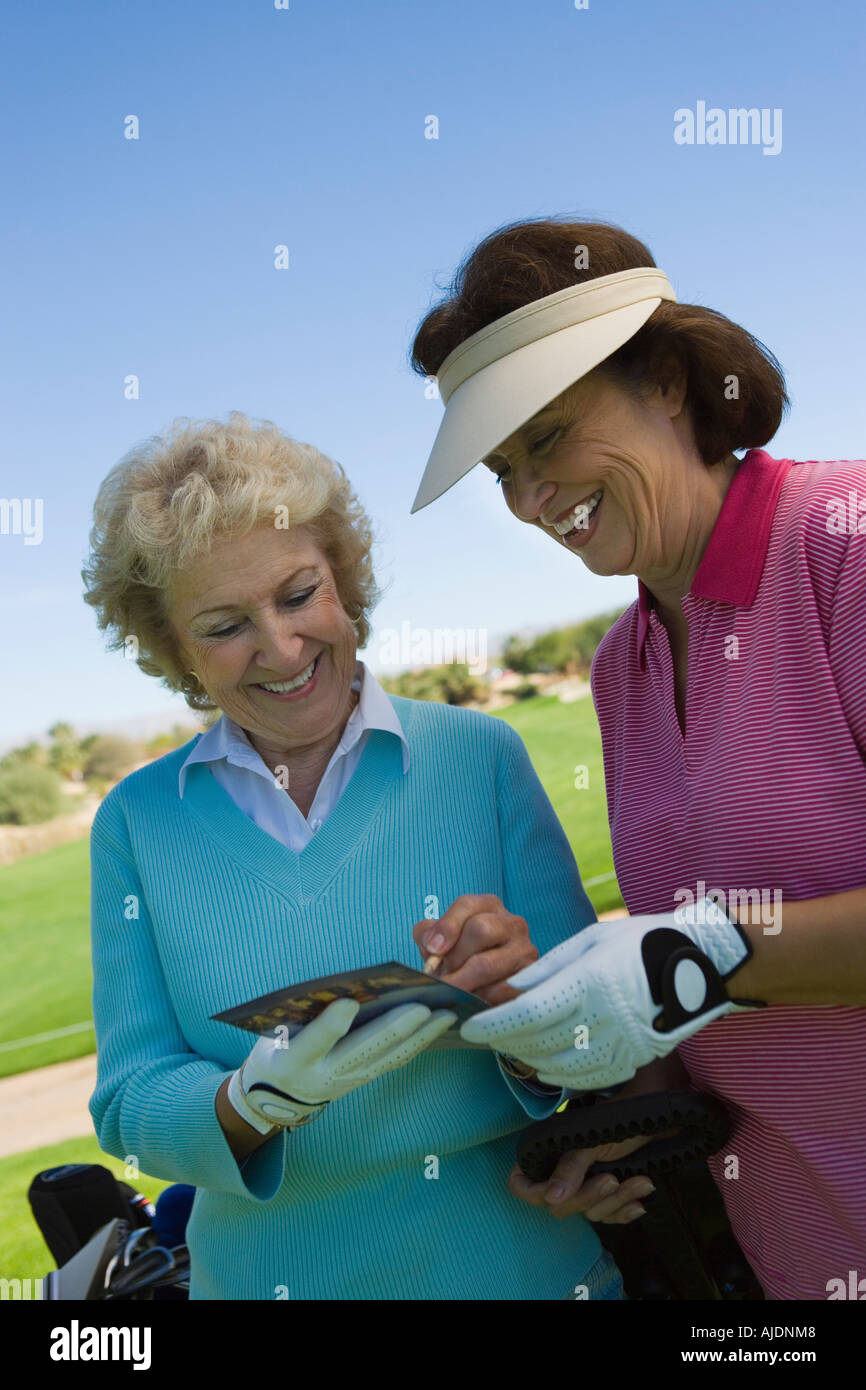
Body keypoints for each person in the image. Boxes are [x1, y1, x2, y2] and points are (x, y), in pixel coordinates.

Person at [407, 217, 866, 1300]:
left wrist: (692, 953)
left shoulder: (842, 542)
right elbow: (706, 995)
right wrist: (605, 1096)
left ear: (667, 382)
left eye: (549, 437)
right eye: (503, 469)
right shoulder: (623, 664)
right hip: (796, 1255)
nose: (529, 500)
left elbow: (710, 952)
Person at [82, 410, 629, 1299]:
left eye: (298, 596)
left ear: (344, 577)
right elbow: (129, 1107)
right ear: (175, 649)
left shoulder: (478, 756)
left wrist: (523, 1003)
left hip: (523, 1272)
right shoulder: (135, 824)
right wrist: (252, 1102)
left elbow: (597, 1048)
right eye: (224, 625)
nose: (282, 646)